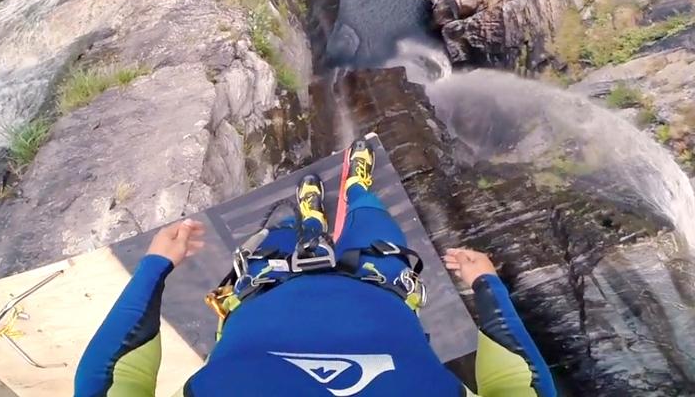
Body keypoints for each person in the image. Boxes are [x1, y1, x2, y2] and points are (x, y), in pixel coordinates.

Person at [75, 140, 556, 397]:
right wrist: (488, 286)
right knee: (369, 216)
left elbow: (109, 377)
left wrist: (155, 267)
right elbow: (519, 381)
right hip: (376, 282)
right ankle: (351, 191)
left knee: (285, 229)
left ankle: (310, 215)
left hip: (268, 284)